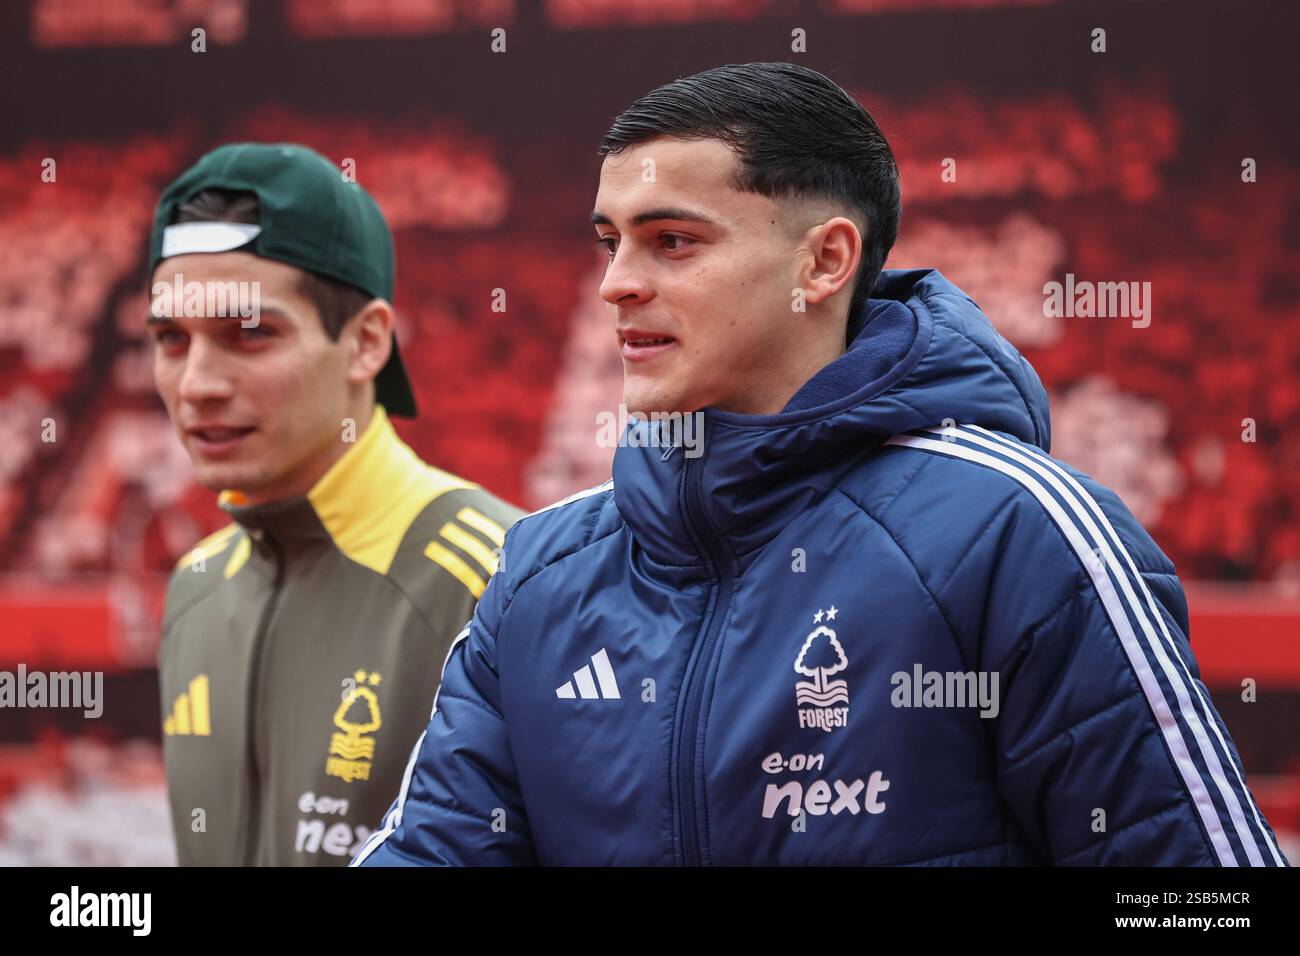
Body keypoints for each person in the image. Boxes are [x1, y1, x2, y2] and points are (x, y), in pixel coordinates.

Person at [353, 63, 1286, 866]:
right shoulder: (541, 569)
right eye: (610, 241)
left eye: (672, 240)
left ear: (826, 261)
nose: (615, 283)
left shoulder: (1018, 532)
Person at [148, 143, 521, 865]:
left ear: (367, 342)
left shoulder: (501, 576)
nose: (196, 384)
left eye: (248, 332)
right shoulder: (193, 586)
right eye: (170, 338)